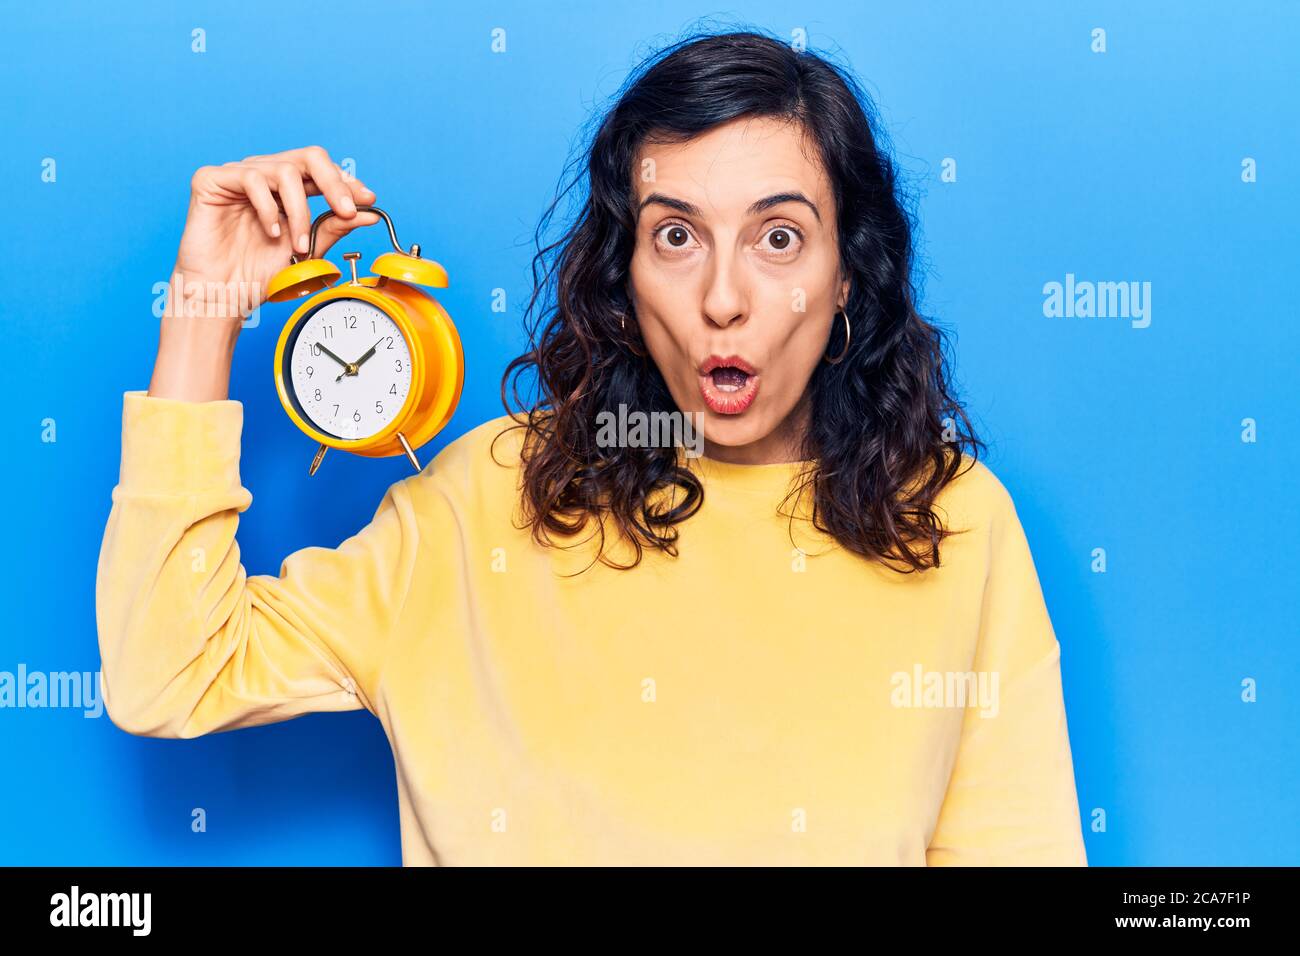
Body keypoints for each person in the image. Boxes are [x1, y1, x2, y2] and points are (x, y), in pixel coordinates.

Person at [96, 30, 1088, 865]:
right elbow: (170, 671)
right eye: (675, 236)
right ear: (621, 274)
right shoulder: (486, 499)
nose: (723, 297)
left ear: (845, 278)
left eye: (778, 237)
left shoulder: (953, 521)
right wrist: (205, 306)